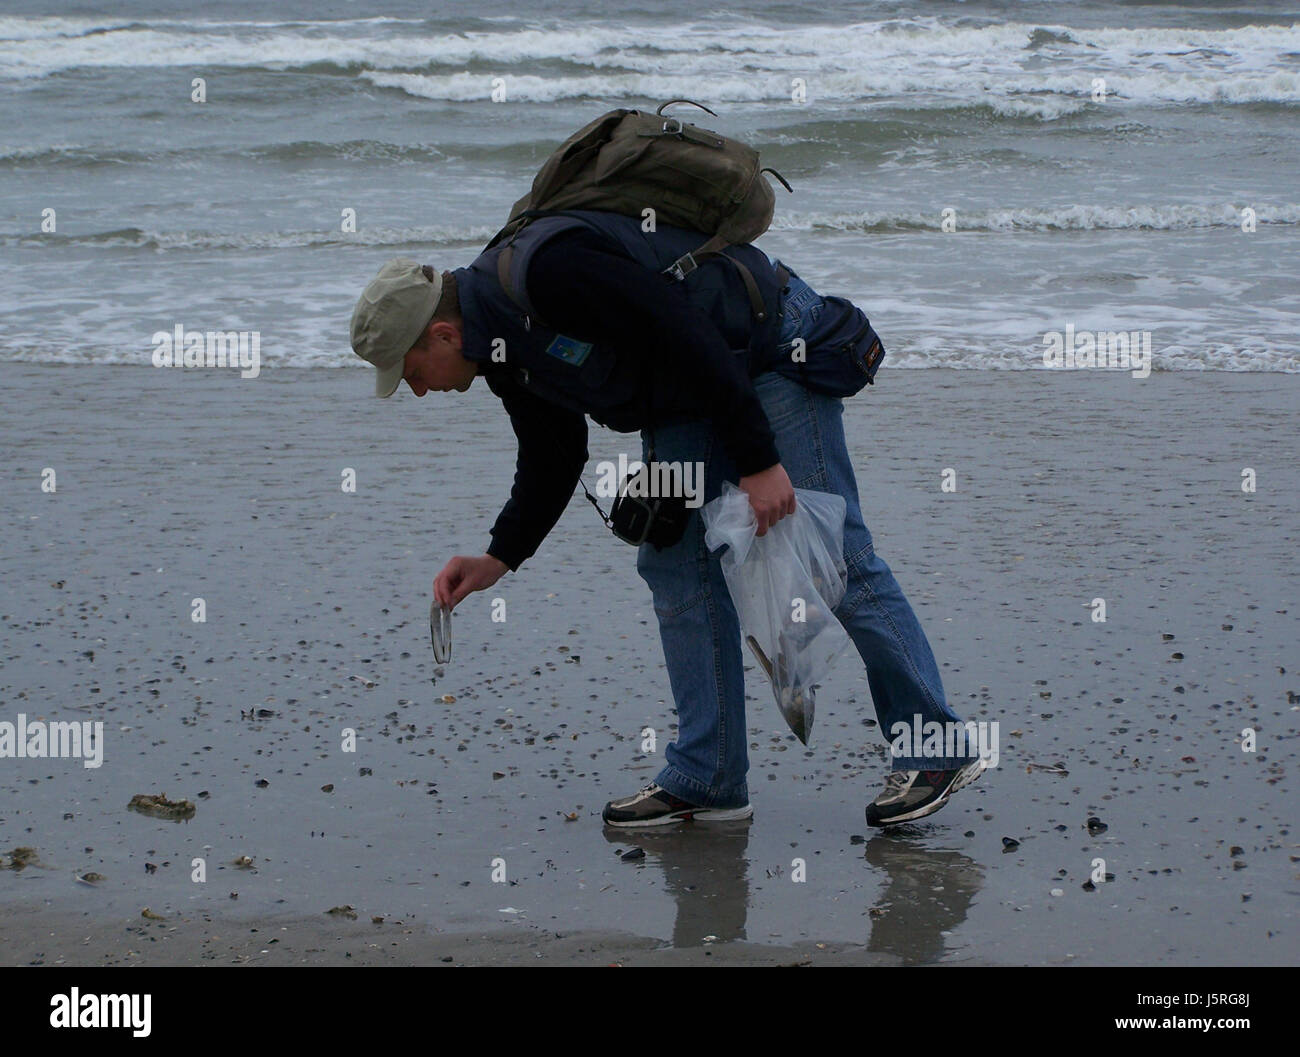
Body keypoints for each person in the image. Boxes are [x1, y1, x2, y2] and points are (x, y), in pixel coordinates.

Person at [350, 209, 986, 828]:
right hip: (688, 388)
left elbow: (685, 331)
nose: (417, 390)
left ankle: (937, 747)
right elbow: (554, 449)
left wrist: (758, 460)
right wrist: (499, 556)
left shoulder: (549, 272)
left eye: (409, 374)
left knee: (832, 555)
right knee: (674, 562)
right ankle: (709, 778)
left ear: (441, 335)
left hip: (763, 352)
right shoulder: (499, 348)